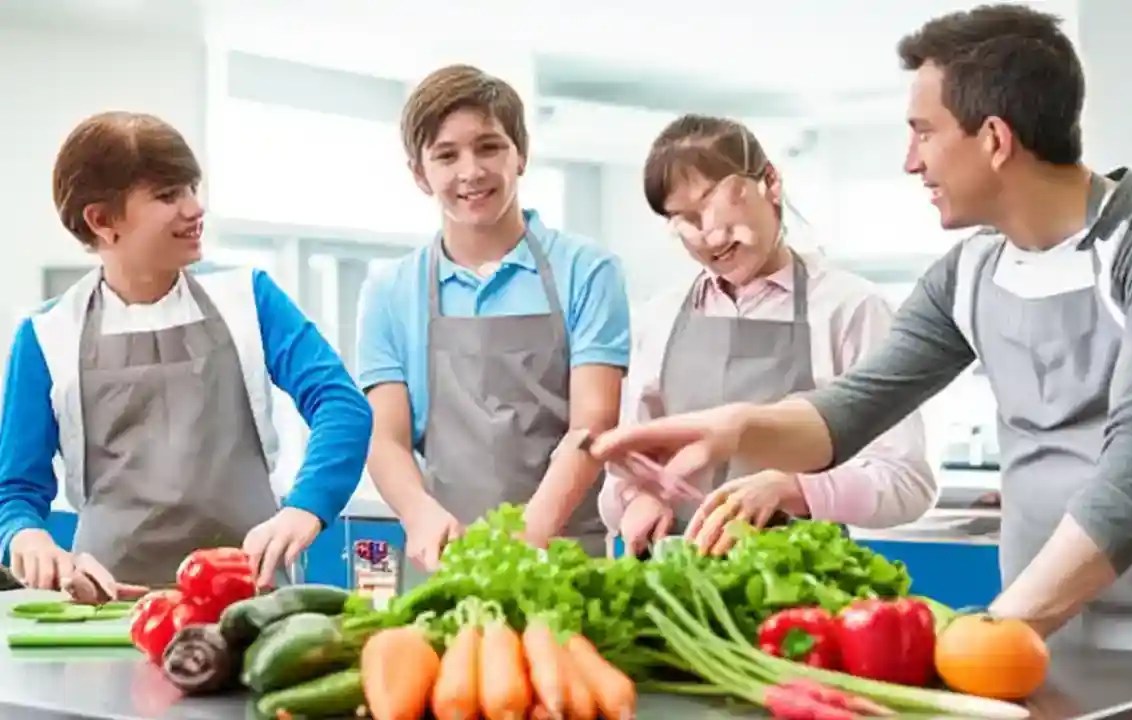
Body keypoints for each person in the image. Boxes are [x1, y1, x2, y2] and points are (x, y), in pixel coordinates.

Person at [591, 2, 1132, 665]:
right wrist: (731, 430)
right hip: (1040, 629)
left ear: (994, 139)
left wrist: (994, 630)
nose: (909, 161)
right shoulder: (973, 269)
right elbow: (853, 407)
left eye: (922, 131)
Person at [0, 111, 372, 601]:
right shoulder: (46, 334)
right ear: (102, 220)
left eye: (192, 188)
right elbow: (17, 491)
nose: (195, 208)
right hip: (112, 606)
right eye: (168, 195)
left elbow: (341, 405)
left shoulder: (249, 297)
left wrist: (305, 506)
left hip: (248, 598)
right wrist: (26, 535)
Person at [599, 114, 937, 558]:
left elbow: (907, 481)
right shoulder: (659, 318)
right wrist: (634, 499)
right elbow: (623, 475)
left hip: (801, 588)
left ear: (770, 183)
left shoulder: (849, 308)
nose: (707, 237)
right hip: (673, 592)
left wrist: (794, 489)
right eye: (683, 219)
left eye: (712, 206)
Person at [356, 65, 631, 582]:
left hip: (567, 556)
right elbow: (385, 437)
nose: (471, 171)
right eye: (446, 155)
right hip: (447, 559)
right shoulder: (391, 290)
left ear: (520, 154)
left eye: (489, 147)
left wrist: (533, 533)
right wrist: (418, 512)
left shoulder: (588, 271)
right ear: (419, 173)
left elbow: (593, 421)